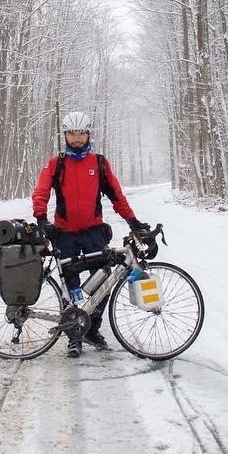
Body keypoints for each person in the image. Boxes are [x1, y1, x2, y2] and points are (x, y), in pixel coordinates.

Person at [31, 110, 150, 357]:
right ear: (65, 135)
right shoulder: (56, 163)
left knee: (104, 281)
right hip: (65, 232)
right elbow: (41, 192)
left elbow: (117, 196)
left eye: (81, 133)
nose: (77, 138)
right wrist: (41, 218)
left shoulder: (99, 163)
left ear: (88, 134)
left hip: (94, 231)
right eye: (72, 134)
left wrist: (133, 221)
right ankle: (74, 336)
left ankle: (91, 328)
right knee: (71, 286)